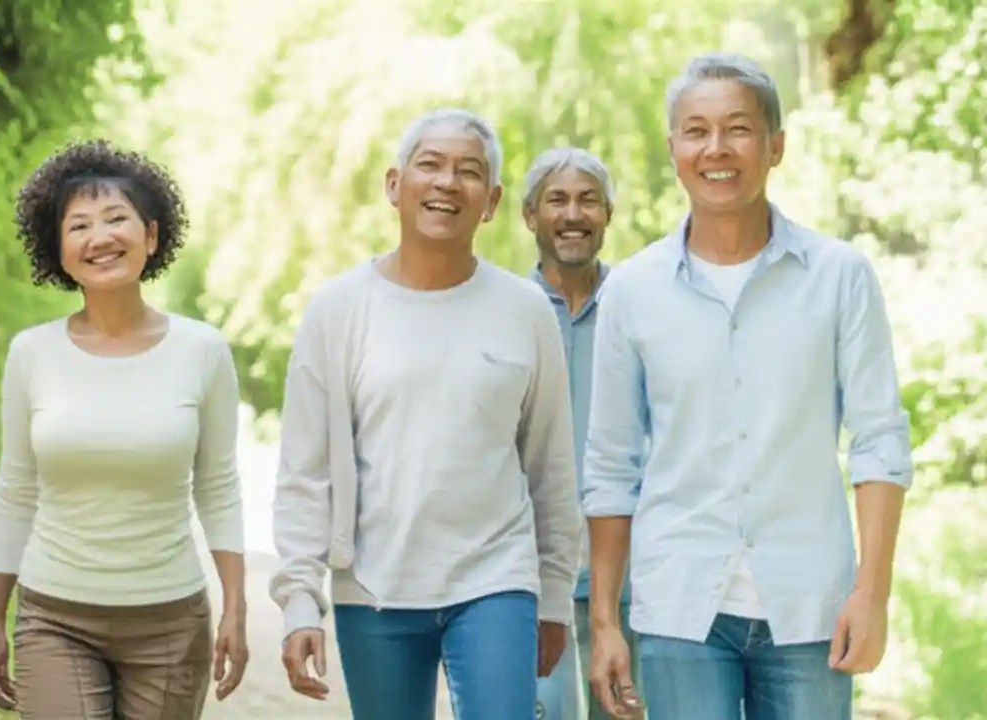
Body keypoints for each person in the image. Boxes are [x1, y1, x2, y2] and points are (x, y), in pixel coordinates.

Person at [584, 53, 912, 719]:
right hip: (679, 605)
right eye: (696, 130)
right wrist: (605, 621)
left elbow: (880, 440)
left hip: (810, 608)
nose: (716, 149)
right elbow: (611, 464)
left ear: (776, 146)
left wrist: (871, 594)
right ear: (674, 147)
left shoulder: (840, 276)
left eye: (737, 128)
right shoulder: (632, 291)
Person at [270, 108, 583, 720]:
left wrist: (551, 598)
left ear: (491, 201)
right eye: (430, 165)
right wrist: (300, 600)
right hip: (375, 588)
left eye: (469, 172)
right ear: (395, 184)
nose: (447, 182)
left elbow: (551, 466)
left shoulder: (525, 311)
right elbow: (304, 473)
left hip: (495, 580)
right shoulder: (337, 310)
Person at [0, 140, 248, 720]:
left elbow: (219, 486)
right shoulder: (33, 353)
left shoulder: (201, 351)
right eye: (79, 225)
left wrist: (237, 607)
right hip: (55, 616)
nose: (100, 237)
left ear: (151, 236)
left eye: (116, 218)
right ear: (60, 251)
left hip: (170, 622)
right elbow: (17, 489)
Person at [523, 148, 641, 720]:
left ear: (608, 214)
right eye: (557, 200)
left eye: (588, 199)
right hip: (526, 573)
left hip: (630, 578)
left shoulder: (640, 306)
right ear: (529, 216)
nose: (573, 214)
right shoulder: (505, 311)